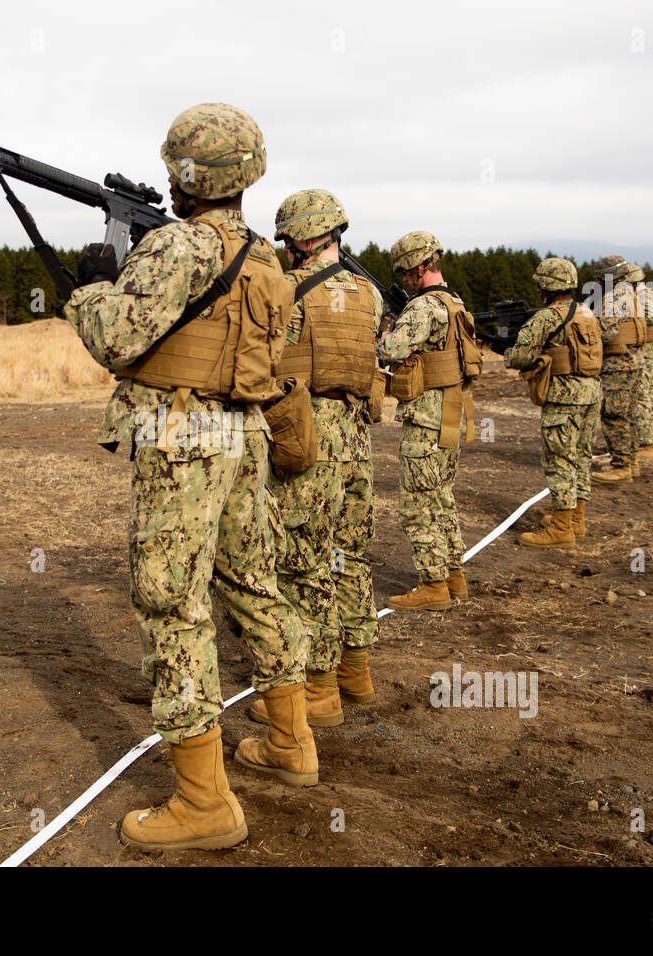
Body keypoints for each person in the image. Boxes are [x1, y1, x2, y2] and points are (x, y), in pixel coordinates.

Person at [64, 102, 316, 852]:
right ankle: (291, 743)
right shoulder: (268, 260)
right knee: (251, 582)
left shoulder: (178, 246)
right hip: (243, 431)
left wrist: (92, 284)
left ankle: (204, 803)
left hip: (183, 431)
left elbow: (114, 338)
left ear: (186, 175)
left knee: (170, 600)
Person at [247, 188, 382, 731]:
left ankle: (319, 687)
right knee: (349, 554)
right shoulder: (368, 294)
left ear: (301, 237)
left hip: (313, 433)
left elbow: (268, 356)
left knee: (305, 560)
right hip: (357, 437)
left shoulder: (296, 292)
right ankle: (356, 668)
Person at [378, 231, 476, 610]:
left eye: (406, 272)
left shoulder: (423, 308)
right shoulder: (455, 303)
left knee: (418, 501)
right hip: (453, 408)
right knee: (442, 495)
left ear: (418, 266)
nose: (404, 279)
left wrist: (385, 331)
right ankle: (454, 575)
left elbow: (391, 350)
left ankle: (433, 585)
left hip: (428, 416)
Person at [501, 257, 602, 547]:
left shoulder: (547, 318)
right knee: (581, 456)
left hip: (564, 397)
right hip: (591, 393)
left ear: (546, 286)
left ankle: (561, 530)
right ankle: (575, 519)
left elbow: (520, 356)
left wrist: (507, 353)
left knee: (559, 460)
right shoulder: (586, 313)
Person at [590, 254, 646, 484]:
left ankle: (621, 466)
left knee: (614, 415)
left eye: (602, 280)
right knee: (627, 414)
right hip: (632, 361)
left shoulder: (615, 298)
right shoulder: (633, 295)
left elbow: (605, 332)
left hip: (617, 365)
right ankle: (630, 461)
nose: (600, 285)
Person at [626, 262, 653, 461]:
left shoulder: (642, 296)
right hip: (650, 348)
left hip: (645, 348)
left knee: (642, 397)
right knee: (649, 396)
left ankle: (645, 445)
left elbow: (650, 318)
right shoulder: (650, 294)